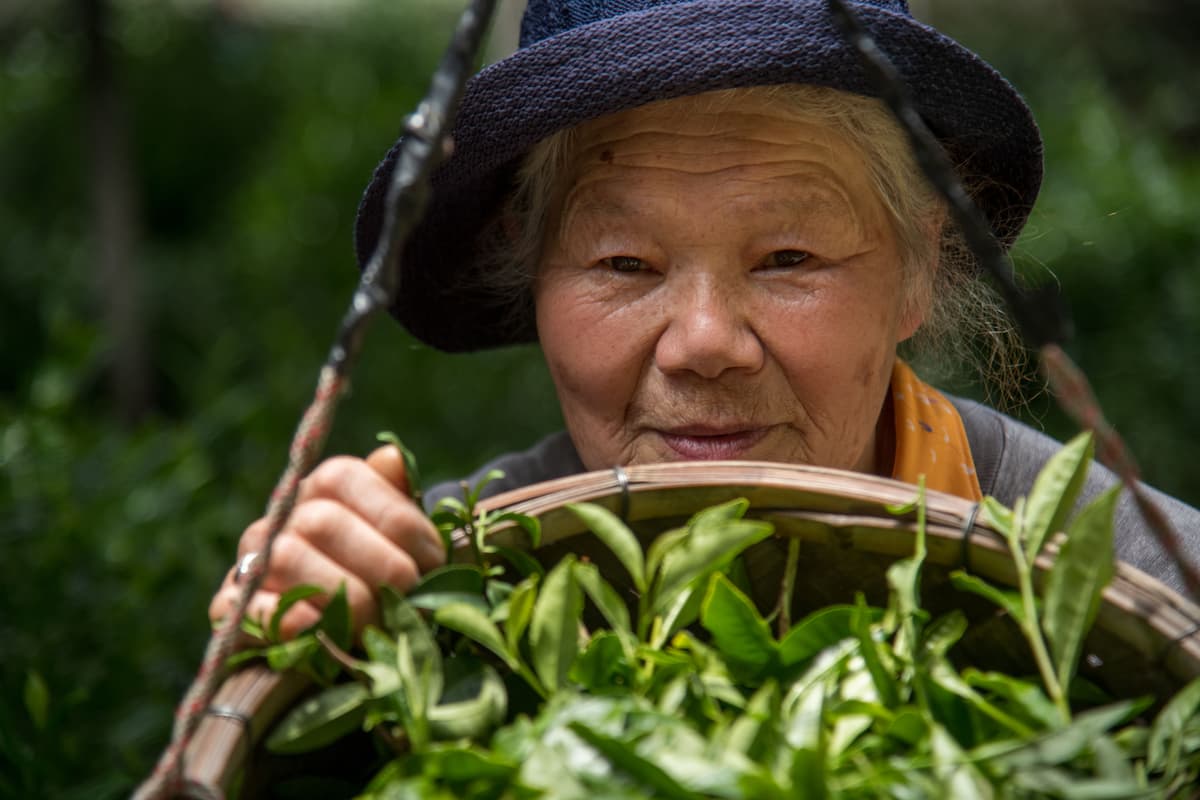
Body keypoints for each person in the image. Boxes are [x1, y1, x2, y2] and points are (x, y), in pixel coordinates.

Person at [209, 0, 1200, 639]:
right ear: (534, 266)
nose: (704, 343)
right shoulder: (430, 593)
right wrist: (292, 653)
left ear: (916, 269)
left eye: (788, 259)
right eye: (624, 263)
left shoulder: (1143, 586)